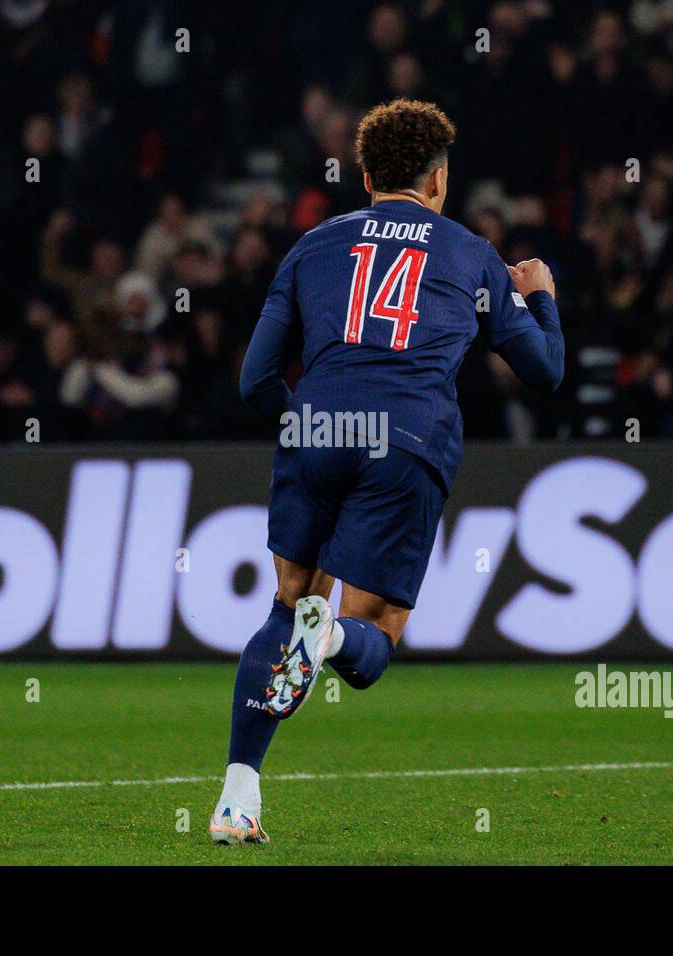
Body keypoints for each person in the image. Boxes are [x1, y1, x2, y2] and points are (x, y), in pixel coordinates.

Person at [209, 99, 565, 844]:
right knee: (371, 636)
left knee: (287, 605)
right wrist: (541, 296)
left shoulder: (313, 246)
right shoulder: (469, 252)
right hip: (406, 439)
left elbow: (253, 380)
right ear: (437, 181)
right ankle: (330, 640)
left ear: (366, 174)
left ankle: (237, 802)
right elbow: (545, 372)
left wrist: (306, 422)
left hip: (318, 428)